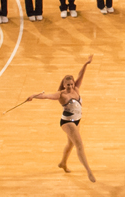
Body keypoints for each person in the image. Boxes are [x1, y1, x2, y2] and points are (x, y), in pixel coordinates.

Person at [25, 55, 96, 183]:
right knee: (79, 145)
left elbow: (80, 75)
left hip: (77, 120)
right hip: (68, 122)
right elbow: (46, 96)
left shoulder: (76, 89)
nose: (69, 86)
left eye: (71, 84)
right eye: (67, 84)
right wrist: (33, 96)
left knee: (70, 144)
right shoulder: (61, 95)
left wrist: (86, 63)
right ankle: (89, 171)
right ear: (63, 84)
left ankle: (63, 163)